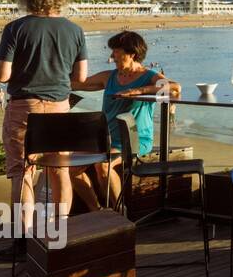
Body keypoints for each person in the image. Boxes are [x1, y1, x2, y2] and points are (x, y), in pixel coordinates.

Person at [0, 0, 88, 262]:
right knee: (59, 171)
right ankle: (60, 234)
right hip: (60, 108)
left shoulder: (15, 28)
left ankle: (23, 242)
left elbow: (2, 75)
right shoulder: (74, 30)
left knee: (23, 174)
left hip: (24, 108)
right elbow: (80, 78)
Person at [70, 30, 180, 210]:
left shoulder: (147, 76)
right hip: (105, 140)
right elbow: (78, 84)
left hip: (135, 140)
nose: (111, 56)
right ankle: (96, 210)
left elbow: (175, 89)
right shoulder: (109, 76)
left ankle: (120, 211)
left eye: (116, 51)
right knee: (71, 167)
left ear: (132, 54)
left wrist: (139, 91)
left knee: (103, 165)